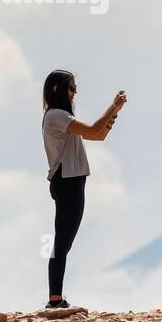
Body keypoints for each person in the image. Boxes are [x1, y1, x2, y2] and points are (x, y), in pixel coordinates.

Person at [41, 70, 126, 308]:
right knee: (62, 243)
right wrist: (113, 107)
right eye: (71, 88)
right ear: (57, 90)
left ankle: (55, 297)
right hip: (67, 181)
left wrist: (114, 113)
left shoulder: (61, 116)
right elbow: (92, 130)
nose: (75, 93)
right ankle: (54, 299)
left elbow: (99, 135)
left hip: (72, 181)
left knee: (64, 242)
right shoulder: (56, 116)